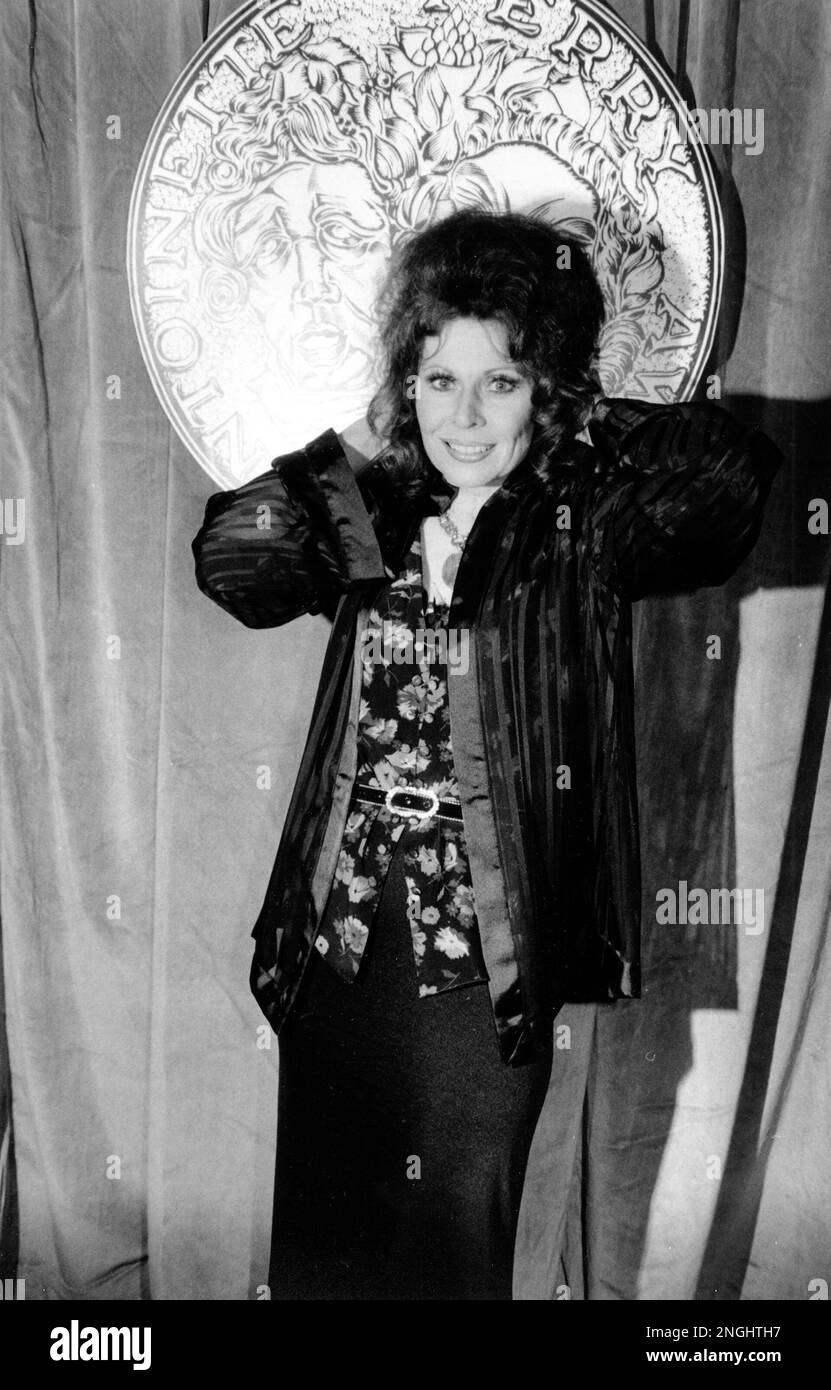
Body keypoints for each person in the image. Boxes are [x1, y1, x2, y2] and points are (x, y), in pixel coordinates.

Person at [191, 208, 782, 1300]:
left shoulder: (583, 525)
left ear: (544, 391)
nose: (464, 414)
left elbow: (730, 480)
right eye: (438, 379)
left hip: (484, 967)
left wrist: (578, 415)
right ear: (406, 388)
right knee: (323, 1255)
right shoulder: (376, 514)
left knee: (449, 1249)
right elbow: (232, 560)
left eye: (499, 382)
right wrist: (364, 460)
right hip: (339, 948)